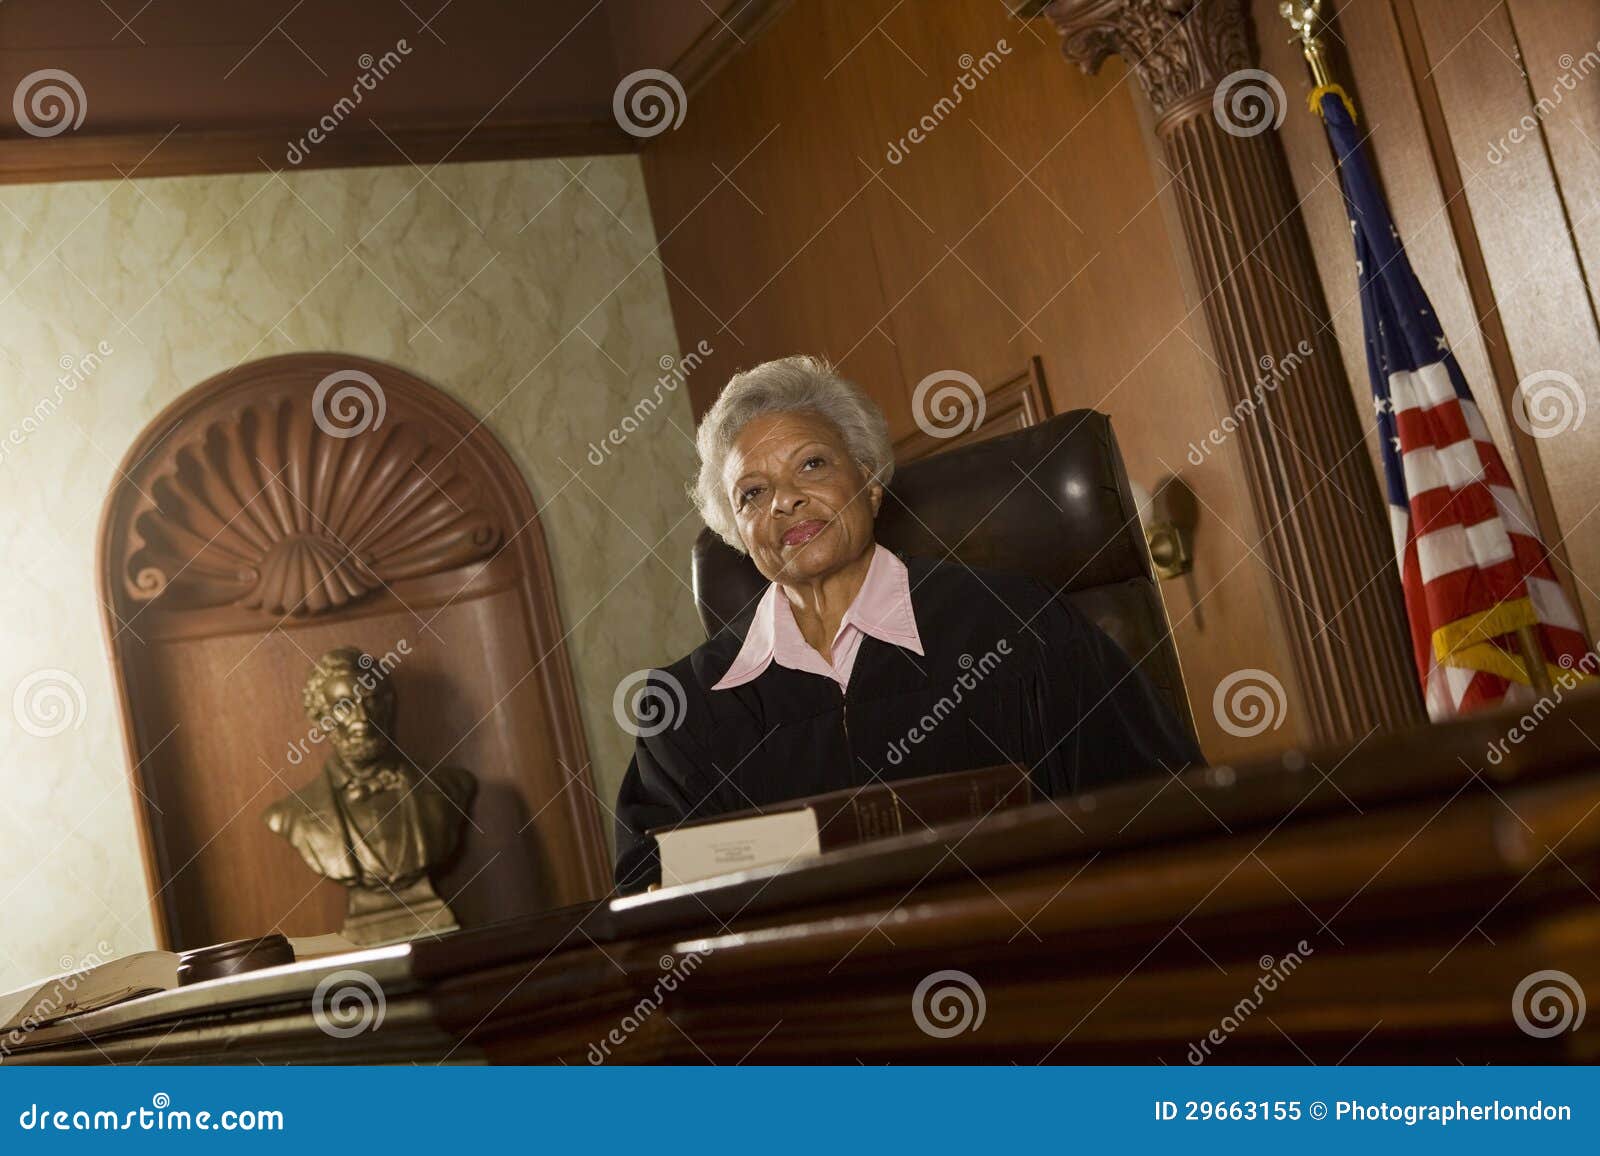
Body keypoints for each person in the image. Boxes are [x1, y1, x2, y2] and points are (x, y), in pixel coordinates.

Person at [613, 356, 1200, 892]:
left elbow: (1160, 809)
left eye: (811, 464)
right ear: (737, 532)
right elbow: (655, 903)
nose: (783, 502)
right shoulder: (686, 715)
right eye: (752, 493)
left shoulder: (1018, 627)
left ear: (870, 482)